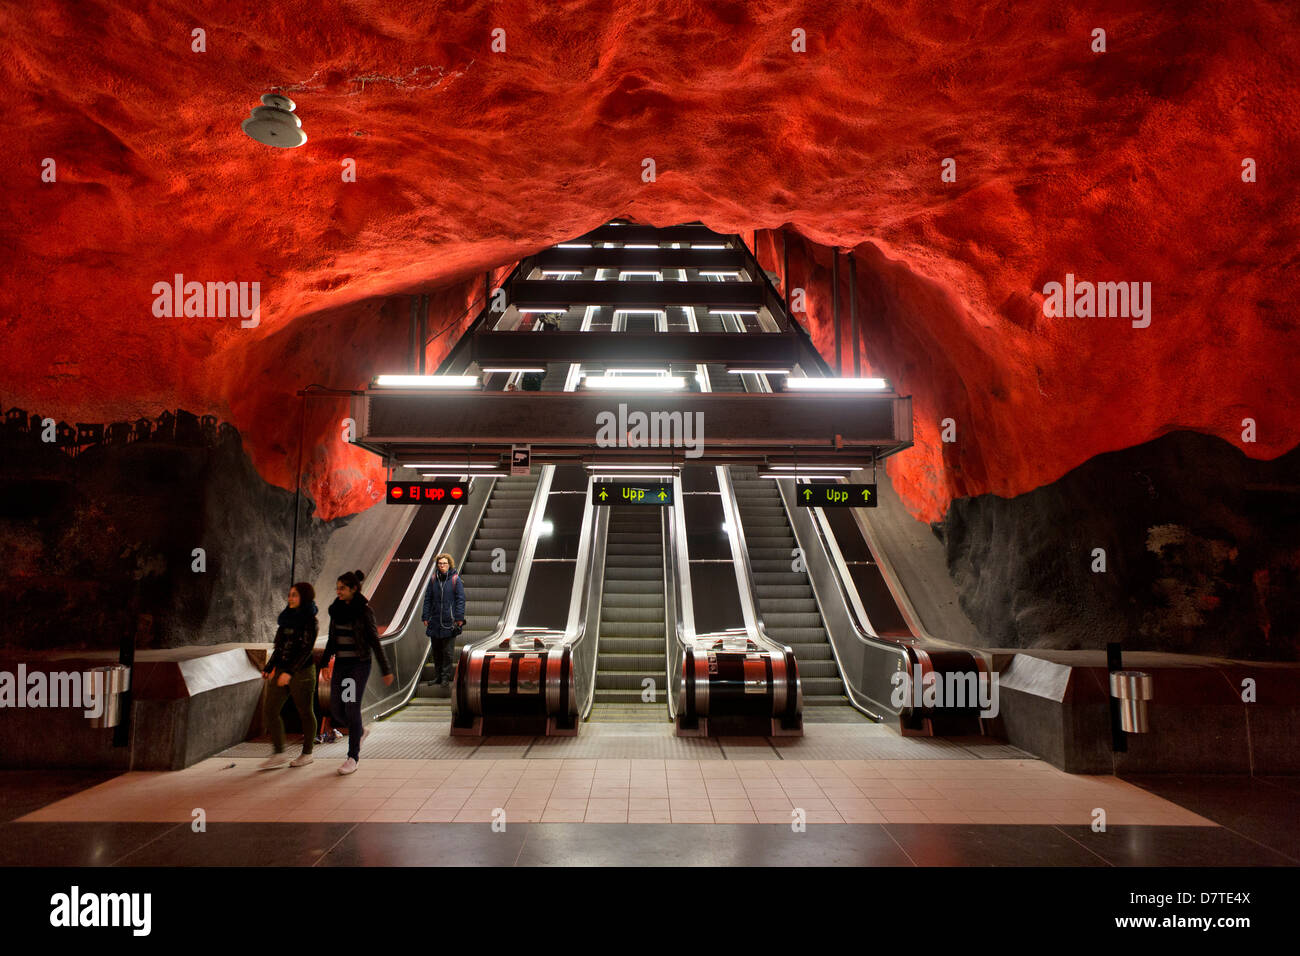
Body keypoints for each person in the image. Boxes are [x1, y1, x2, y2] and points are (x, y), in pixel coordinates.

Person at [320, 569, 393, 775]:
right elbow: (332, 639)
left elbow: (374, 641)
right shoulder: (336, 610)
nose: (338, 591)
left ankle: (352, 757)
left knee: (351, 707)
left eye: (342, 588)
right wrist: (325, 661)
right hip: (342, 665)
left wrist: (385, 669)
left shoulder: (364, 611)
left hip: (358, 666)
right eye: (337, 588)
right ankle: (359, 731)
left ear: (353, 589)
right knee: (338, 710)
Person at [259, 583, 320, 770]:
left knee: (305, 712)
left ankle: (307, 753)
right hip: (281, 670)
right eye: (289, 595)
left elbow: (305, 650)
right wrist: (270, 667)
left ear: (304, 597)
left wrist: (289, 672)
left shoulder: (310, 621)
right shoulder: (286, 618)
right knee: (270, 710)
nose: (290, 598)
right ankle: (279, 752)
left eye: (294, 595)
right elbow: (279, 646)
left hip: (301, 672)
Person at [421, 553, 466, 686]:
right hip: (435, 621)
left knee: (447, 652)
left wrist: (459, 618)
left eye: (444, 563)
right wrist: (425, 616)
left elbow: (460, 600)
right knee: (436, 651)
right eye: (440, 564)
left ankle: (446, 677)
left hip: (449, 621)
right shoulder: (434, 579)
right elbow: (428, 598)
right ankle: (438, 676)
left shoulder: (455, 580)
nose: (442, 566)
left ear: (449, 565)